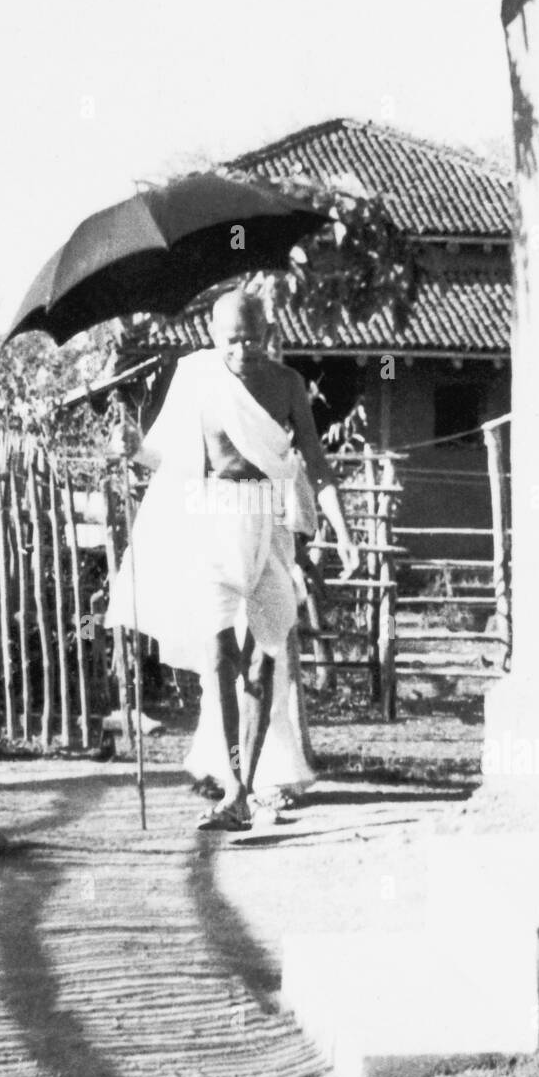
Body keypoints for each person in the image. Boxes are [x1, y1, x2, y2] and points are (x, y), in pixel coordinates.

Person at [107, 285, 358, 830]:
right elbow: (166, 458)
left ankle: (246, 787)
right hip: (212, 519)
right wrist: (133, 446)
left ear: (269, 334)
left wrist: (342, 531)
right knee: (220, 656)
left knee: (266, 656)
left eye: (253, 339)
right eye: (232, 339)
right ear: (213, 335)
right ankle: (233, 787)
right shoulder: (197, 378)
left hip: (269, 523)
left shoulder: (288, 383)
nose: (242, 350)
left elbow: (315, 461)